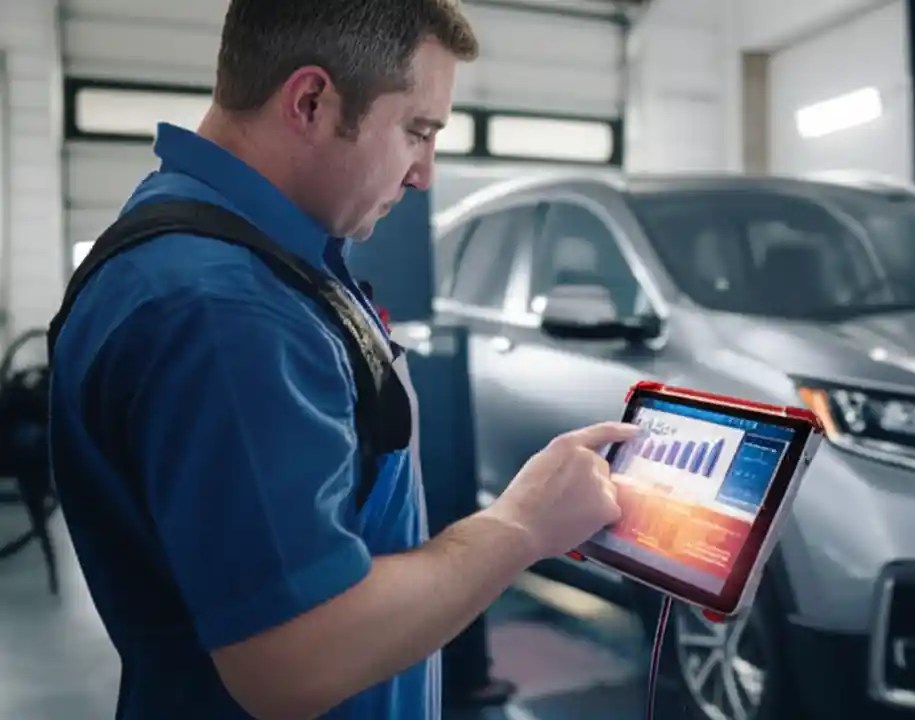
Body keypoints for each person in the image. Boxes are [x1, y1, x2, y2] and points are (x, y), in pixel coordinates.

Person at [46, 1, 637, 719]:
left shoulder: (249, 255)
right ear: (312, 101)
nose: (424, 174)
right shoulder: (226, 308)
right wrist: (522, 527)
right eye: (417, 131)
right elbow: (294, 658)